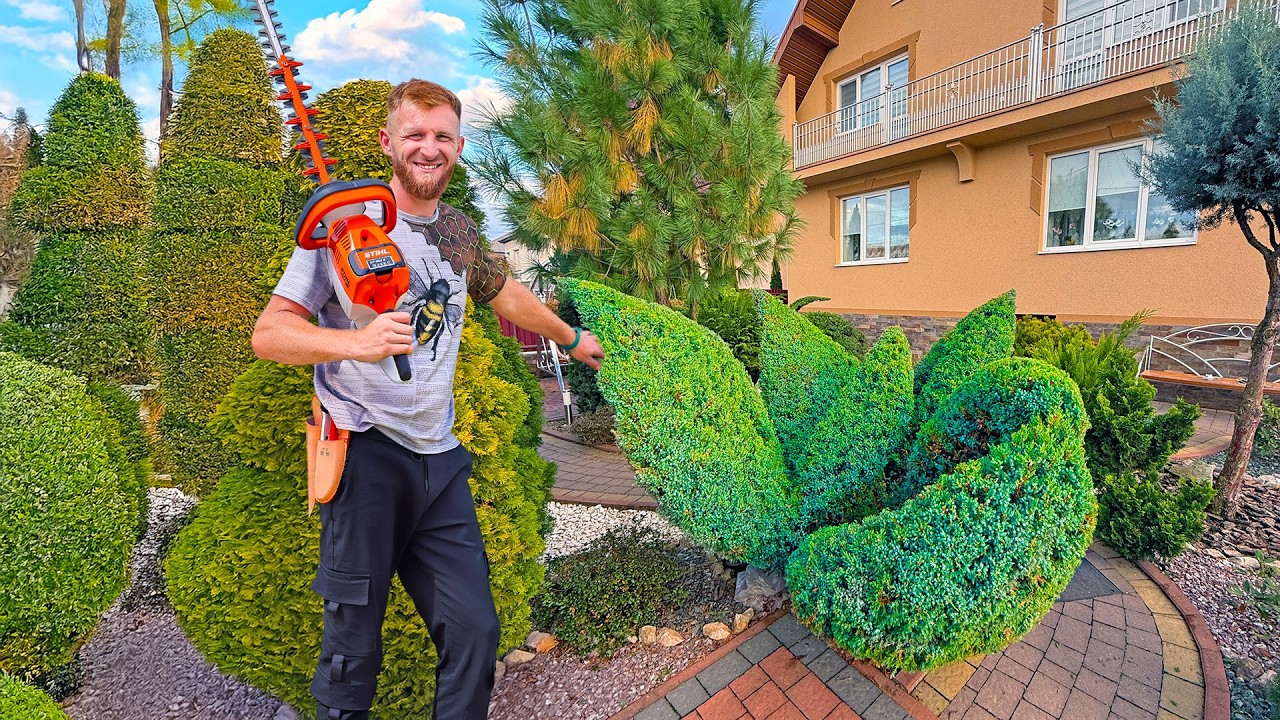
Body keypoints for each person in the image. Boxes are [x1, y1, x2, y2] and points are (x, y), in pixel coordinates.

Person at [251, 79, 604, 720]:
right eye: (415, 133)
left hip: (439, 460)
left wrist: (571, 336)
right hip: (363, 457)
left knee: (474, 633)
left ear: (459, 147)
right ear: (389, 142)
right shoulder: (341, 226)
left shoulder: (459, 233)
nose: (429, 147)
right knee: (351, 652)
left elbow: (509, 297)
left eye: (442, 135)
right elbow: (268, 333)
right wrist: (356, 344)